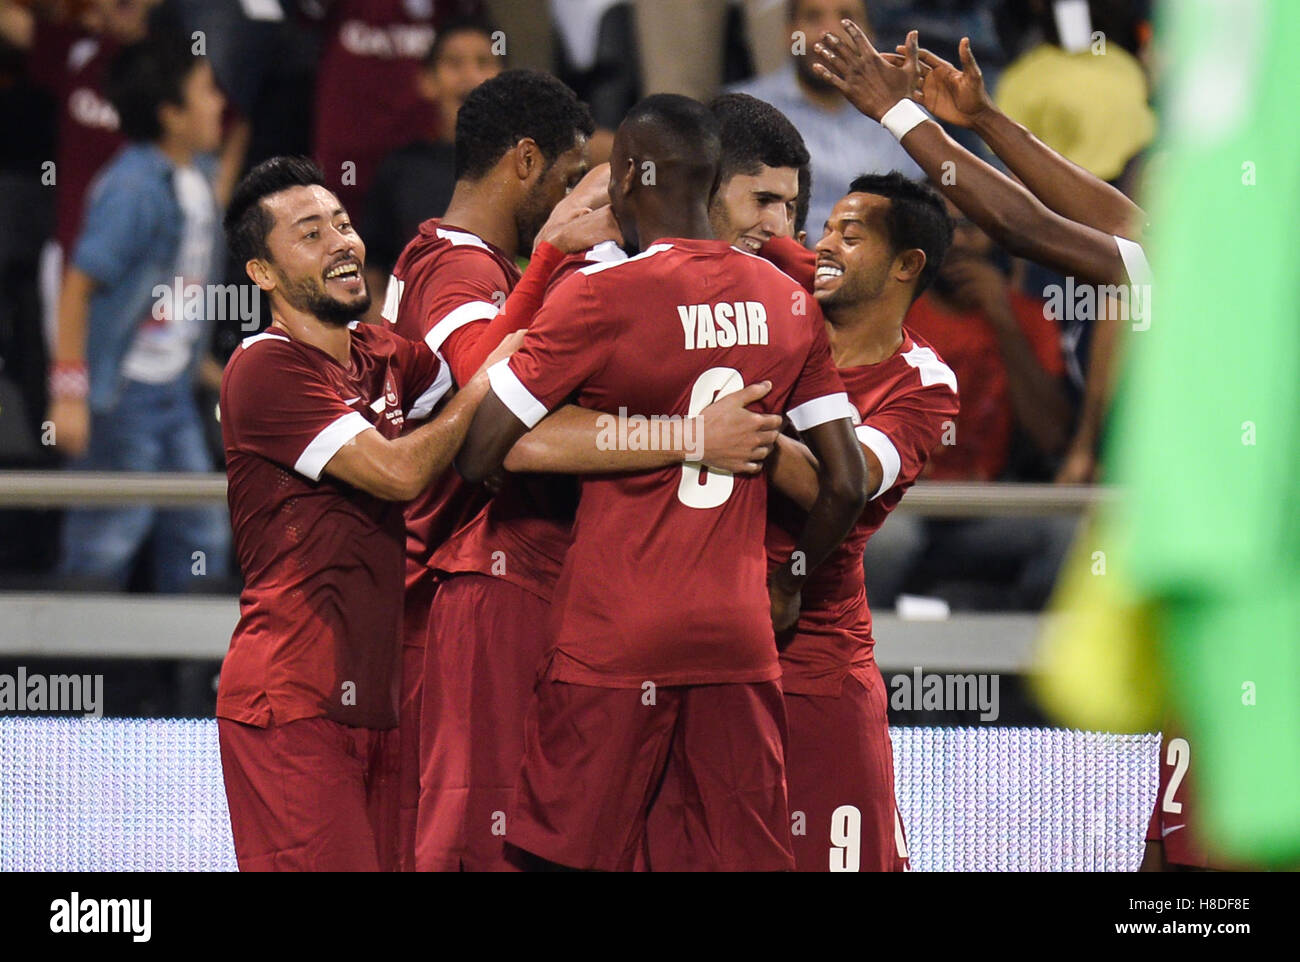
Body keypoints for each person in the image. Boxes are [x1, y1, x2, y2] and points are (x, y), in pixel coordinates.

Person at [457, 94, 867, 871]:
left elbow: (481, 452)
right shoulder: (788, 303)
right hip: (740, 634)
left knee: (560, 858)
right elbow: (844, 483)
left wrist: (649, 433)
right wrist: (789, 584)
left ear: (624, 185)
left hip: (614, 632)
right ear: (712, 179)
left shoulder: (600, 296)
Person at [214, 155, 514, 872]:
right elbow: (399, 470)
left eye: (343, 225)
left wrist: (554, 257)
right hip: (288, 704)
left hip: (375, 703)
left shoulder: (379, 351)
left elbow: (483, 363)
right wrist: (484, 391)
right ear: (263, 274)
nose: (342, 242)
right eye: (310, 234)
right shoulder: (265, 368)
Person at [809, 24, 1151, 482]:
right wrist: (985, 118)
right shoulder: (1187, 253)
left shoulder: (1207, 275)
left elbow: (1024, 228)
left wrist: (896, 112)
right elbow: (1113, 220)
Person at [48, 36, 230, 592]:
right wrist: (69, 394)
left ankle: (189, 676)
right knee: (108, 535)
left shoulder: (196, 176)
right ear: (170, 115)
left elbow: (176, 306)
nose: (219, 102)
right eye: (205, 91)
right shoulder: (132, 189)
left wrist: (215, 375)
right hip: (122, 395)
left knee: (203, 533)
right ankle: (82, 669)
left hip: (172, 393)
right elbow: (77, 289)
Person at [731, 0, 922, 244]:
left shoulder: (906, 115)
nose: (829, 33)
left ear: (871, 35)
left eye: (847, 19)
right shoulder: (743, 110)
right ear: (789, 32)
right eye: (812, 17)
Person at [362, 14, 504, 300]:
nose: (470, 77)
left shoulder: (526, 165)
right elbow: (372, 270)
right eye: (454, 63)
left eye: (483, 63)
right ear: (427, 81)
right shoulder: (400, 170)